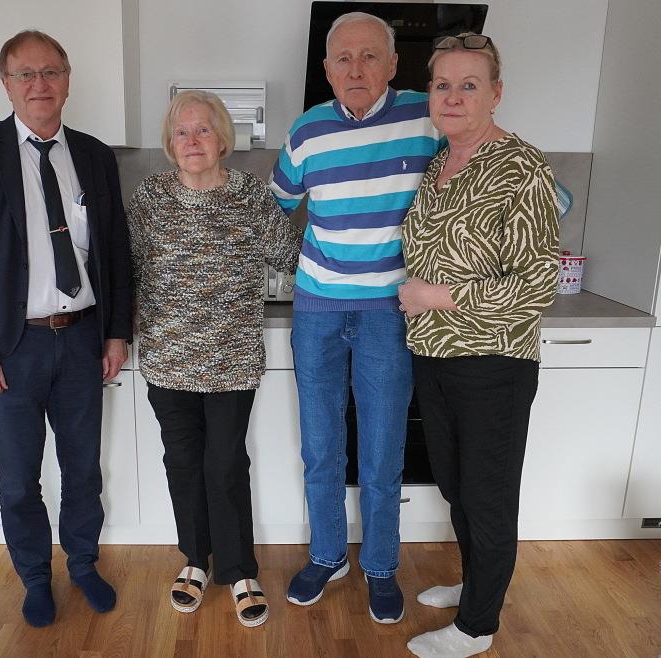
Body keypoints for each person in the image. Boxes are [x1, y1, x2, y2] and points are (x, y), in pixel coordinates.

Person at [0, 29, 131, 627]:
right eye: (25, 73)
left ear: (68, 79)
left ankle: (83, 564)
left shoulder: (95, 156)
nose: (39, 84)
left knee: (83, 469)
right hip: (11, 347)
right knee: (19, 478)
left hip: (81, 338)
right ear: (6, 83)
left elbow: (115, 252)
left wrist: (116, 332)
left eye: (51, 72)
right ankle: (34, 578)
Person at [268, 11, 443, 624]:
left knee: (382, 449)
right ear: (327, 69)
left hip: (389, 309)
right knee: (320, 444)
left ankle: (381, 565)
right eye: (343, 58)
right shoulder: (307, 130)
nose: (356, 68)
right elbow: (275, 207)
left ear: (393, 65)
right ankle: (326, 555)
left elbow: (479, 171)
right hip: (317, 305)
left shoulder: (429, 117)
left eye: (370, 56)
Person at [397, 34, 560, 658]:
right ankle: (475, 586)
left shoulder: (521, 167)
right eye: (443, 85)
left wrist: (436, 295)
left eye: (469, 85)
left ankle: (476, 627)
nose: (454, 96)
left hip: (494, 362)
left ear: (495, 94)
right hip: (435, 358)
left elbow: (538, 283)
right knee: (458, 488)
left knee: (487, 497)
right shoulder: (440, 163)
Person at [127, 90, 302, 628]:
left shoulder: (250, 196)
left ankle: (239, 568)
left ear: (222, 138)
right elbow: (125, 268)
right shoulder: (150, 198)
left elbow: (293, 256)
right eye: (182, 132)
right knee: (182, 463)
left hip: (231, 360)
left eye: (203, 130)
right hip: (167, 359)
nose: (192, 140)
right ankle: (194, 560)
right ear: (170, 142)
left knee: (224, 463)